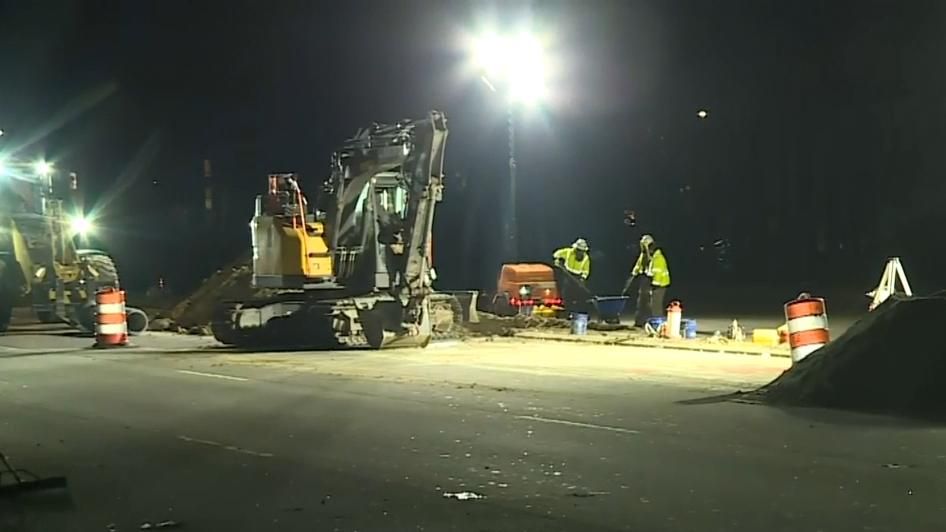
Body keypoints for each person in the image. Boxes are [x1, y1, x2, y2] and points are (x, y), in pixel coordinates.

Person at [622, 234, 671, 327]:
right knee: (642, 302)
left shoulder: (658, 258)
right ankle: (639, 322)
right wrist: (631, 278)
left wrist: (653, 288)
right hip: (648, 280)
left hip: (659, 284)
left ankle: (658, 325)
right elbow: (638, 267)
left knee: (655, 305)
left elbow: (658, 274)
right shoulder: (644, 255)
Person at [552, 238, 592, 311]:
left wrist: (583, 279)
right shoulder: (568, 252)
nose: (580, 253)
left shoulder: (586, 258)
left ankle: (579, 311)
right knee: (566, 294)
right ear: (576, 249)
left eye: (582, 251)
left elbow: (586, 271)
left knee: (579, 295)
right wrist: (557, 260)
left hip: (578, 277)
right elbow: (556, 254)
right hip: (567, 275)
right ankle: (568, 311)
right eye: (579, 250)